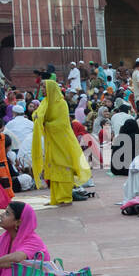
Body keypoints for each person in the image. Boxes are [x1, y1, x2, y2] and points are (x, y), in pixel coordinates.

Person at [30, 78, 91, 206]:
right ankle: (56, 198)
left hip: (62, 141)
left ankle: (66, 197)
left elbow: (62, 123)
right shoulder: (45, 102)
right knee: (53, 169)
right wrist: (37, 117)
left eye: (44, 87)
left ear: (51, 89)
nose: (42, 90)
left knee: (64, 167)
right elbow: (37, 114)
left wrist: (46, 123)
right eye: (41, 87)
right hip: (51, 141)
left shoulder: (61, 103)